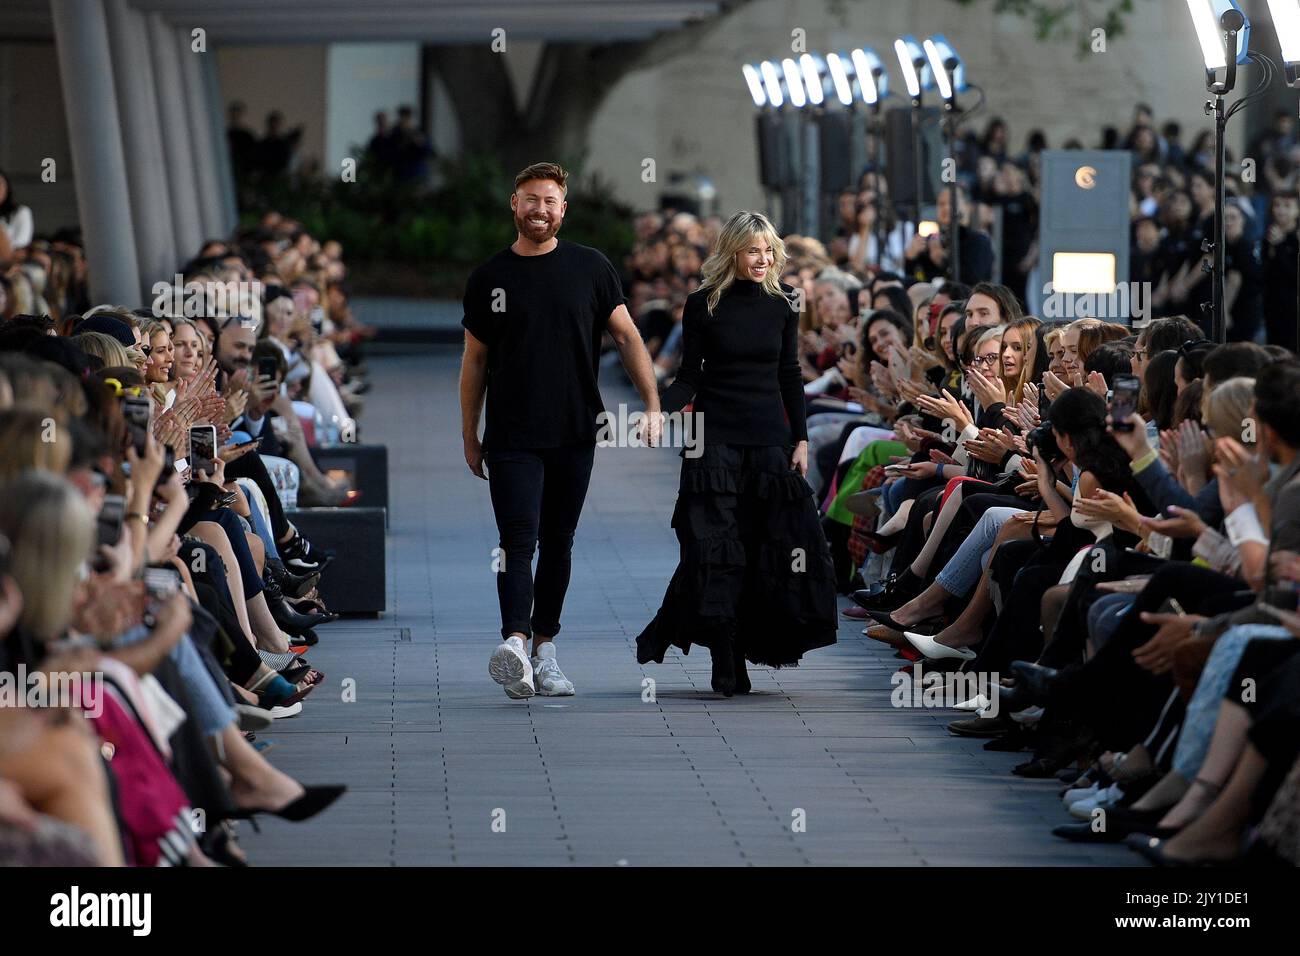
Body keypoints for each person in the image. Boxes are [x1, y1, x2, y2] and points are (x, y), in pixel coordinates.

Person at [460, 162, 660, 700]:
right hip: (511, 434)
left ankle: (546, 649)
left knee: (560, 542)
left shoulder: (591, 268)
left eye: (549, 201)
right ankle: (516, 645)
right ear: (514, 203)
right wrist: (469, 435)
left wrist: (652, 404)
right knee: (516, 541)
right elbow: (474, 363)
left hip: (575, 430)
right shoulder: (489, 278)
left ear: (563, 208)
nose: (539, 210)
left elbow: (627, 335)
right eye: (530, 199)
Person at [635, 210, 838, 696]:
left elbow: (790, 375)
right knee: (715, 549)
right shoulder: (702, 304)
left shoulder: (787, 303)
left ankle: (747, 646)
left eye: (769, 250)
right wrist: (658, 410)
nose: (763, 259)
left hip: (770, 443)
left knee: (768, 547)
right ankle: (724, 656)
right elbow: (690, 375)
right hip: (713, 442)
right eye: (753, 250)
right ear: (733, 252)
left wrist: (802, 439)